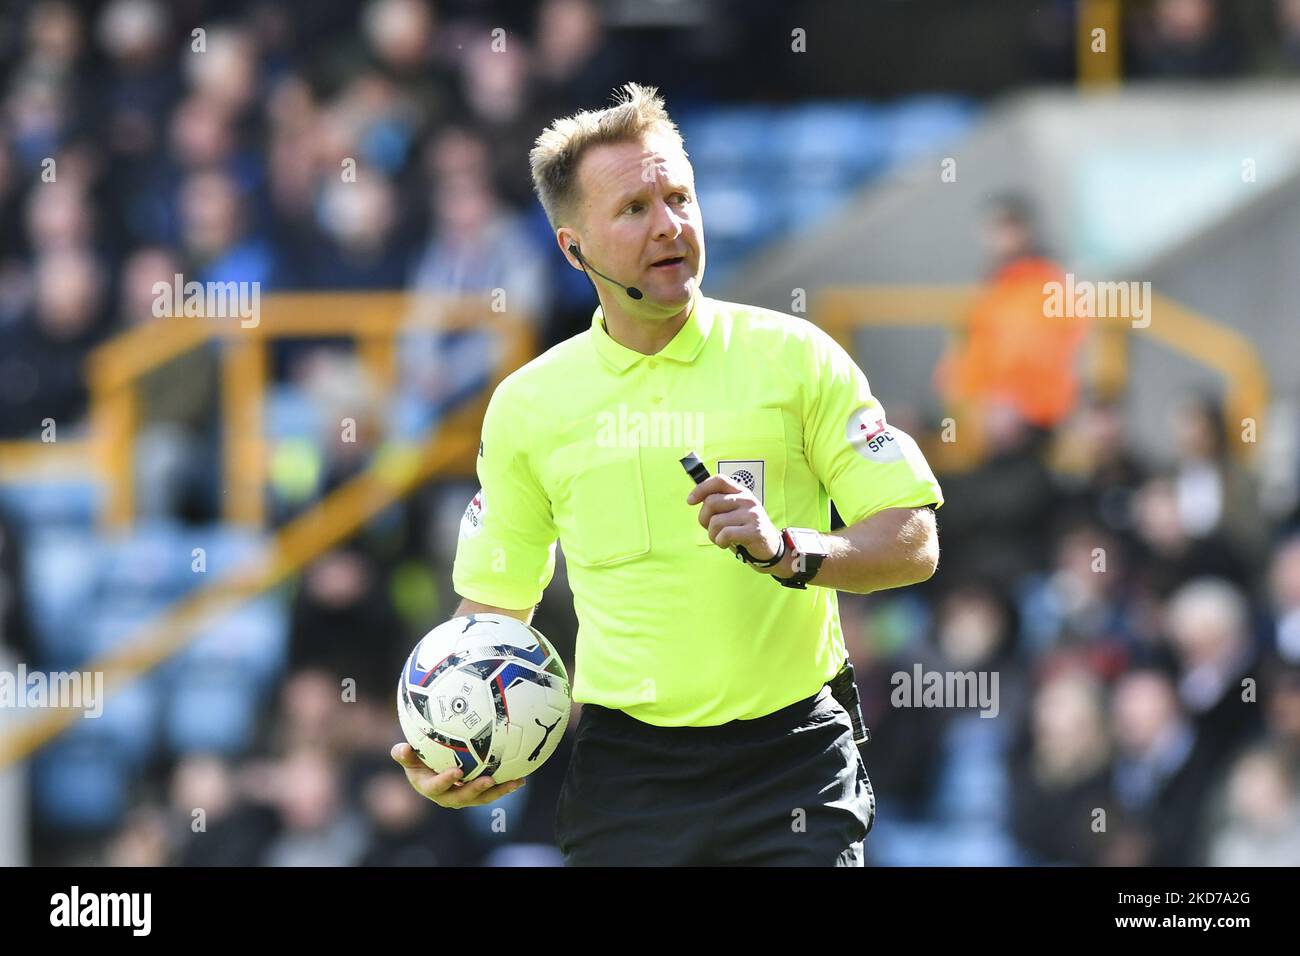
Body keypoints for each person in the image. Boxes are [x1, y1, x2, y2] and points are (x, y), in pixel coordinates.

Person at [391, 83, 944, 866]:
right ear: (572, 246)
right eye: (634, 210)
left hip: (791, 761)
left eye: (679, 197)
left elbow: (913, 538)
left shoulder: (797, 358)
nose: (670, 226)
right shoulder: (529, 406)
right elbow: (493, 610)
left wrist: (791, 549)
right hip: (628, 777)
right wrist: (463, 740)